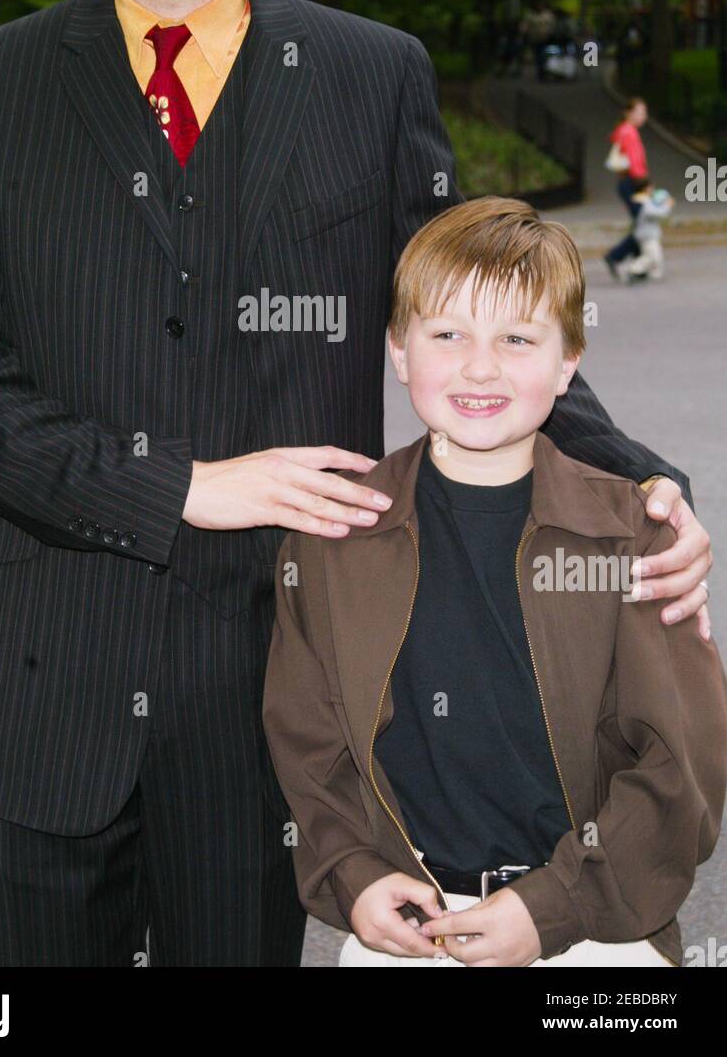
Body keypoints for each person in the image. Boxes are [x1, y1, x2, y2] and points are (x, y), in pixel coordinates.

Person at [0, 0, 712, 970]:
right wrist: (180, 486)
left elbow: (488, 309)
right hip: (40, 679)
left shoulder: (370, 74)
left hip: (275, 686)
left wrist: (648, 489)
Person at [263, 197, 726, 968]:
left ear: (567, 362)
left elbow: (681, 768)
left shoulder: (632, 536)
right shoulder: (329, 540)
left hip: (597, 932)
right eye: (447, 334)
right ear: (399, 351)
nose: (480, 366)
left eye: (516, 338)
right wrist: (353, 872)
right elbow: (306, 744)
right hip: (406, 929)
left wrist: (556, 905)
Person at [604, 95, 650, 278]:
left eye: (644, 113)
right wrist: (646, 185)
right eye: (640, 112)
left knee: (641, 222)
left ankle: (639, 266)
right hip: (633, 183)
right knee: (644, 223)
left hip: (628, 183)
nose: (643, 116)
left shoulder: (626, 131)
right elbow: (635, 162)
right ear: (629, 113)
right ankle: (616, 256)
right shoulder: (629, 132)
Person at [625, 182, 675, 283]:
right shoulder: (645, 201)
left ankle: (649, 272)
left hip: (648, 234)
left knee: (655, 256)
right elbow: (656, 213)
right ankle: (633, 269)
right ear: (644, 189)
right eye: (650, 188)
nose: (652, 190)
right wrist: (667, 206)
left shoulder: (647, 201)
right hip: (646, 235)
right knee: (652, 256)